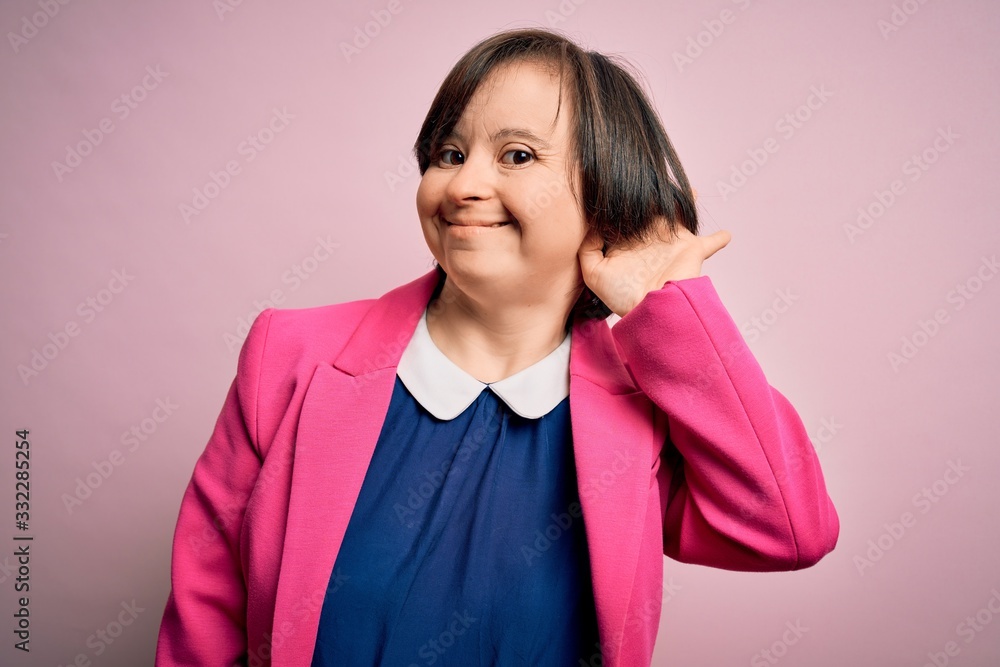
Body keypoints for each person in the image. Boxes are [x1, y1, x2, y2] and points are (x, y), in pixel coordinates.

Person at [155, 27, 839, 667]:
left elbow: (788, 530)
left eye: (517, 155)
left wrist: (668, 309)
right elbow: (206, 616)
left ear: (607, 192)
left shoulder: (645, 407)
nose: (462, 186)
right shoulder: (289, 356)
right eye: (449, 155)